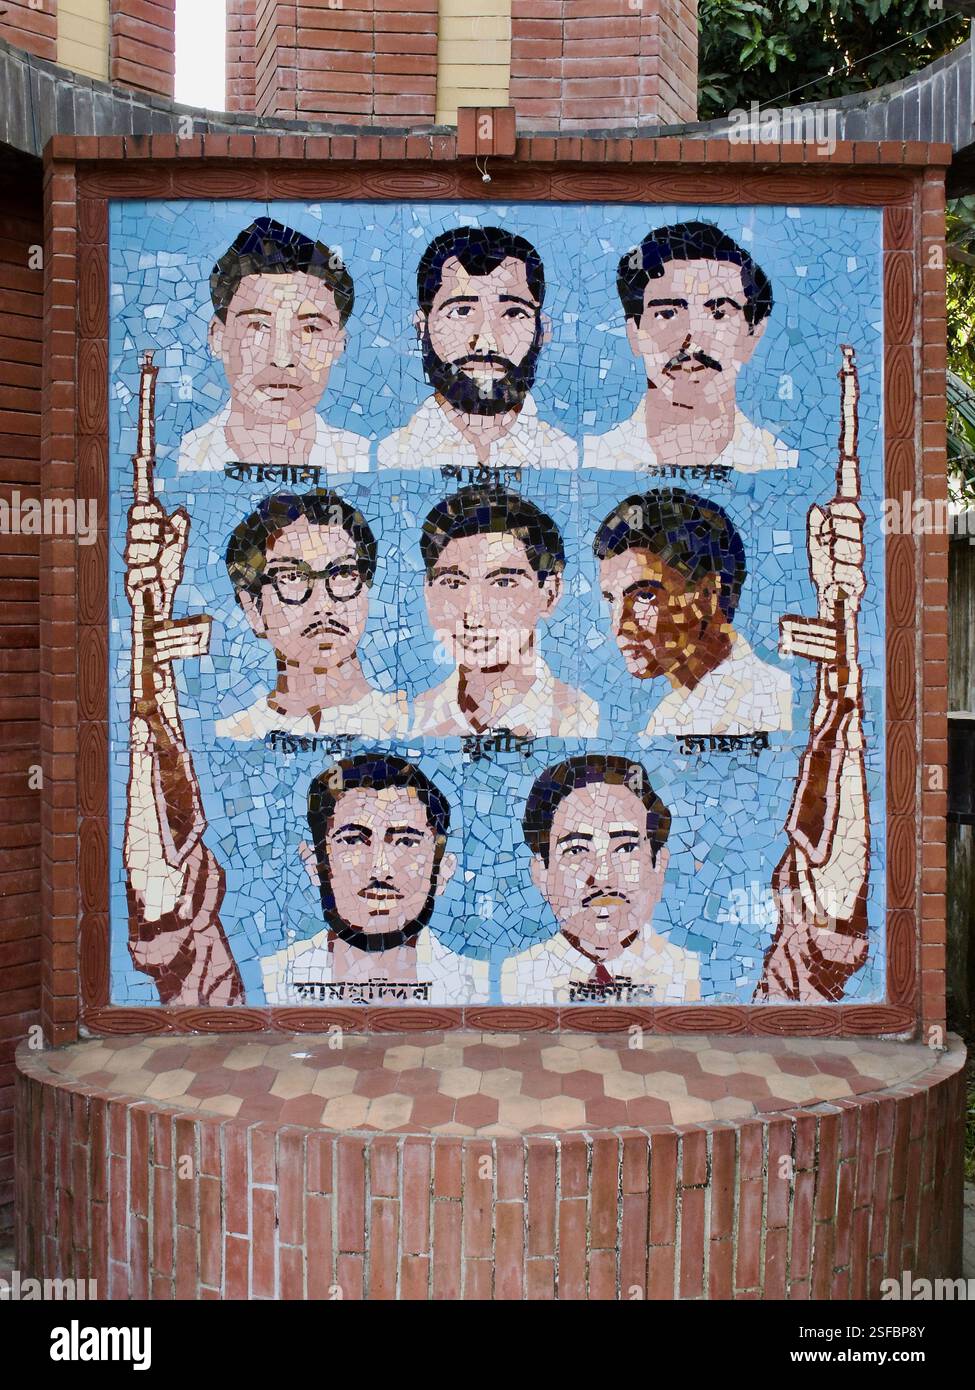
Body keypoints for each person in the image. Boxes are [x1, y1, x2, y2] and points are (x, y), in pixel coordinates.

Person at [261, 755, 485, 1002]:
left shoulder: (474, 987)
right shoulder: (271, 981)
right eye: (353, 840)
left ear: (442, 870)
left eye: (406, 841)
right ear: (315, 864)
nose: (380, 868)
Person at [584, 221, 797, 473]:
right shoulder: (598, 460)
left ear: (752, 335)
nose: (693, 341)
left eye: (718, 314)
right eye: (667, 314)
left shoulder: (779, 462)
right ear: (634, 333)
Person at [178, 216, 369, 476]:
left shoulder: (361, 459)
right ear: (218, 337)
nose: (282, 357)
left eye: (310, 328)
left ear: (339, 343)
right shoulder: (185, 457)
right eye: (258, 325)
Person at [501, 755, 700, 1004]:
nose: (603, 876)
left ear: (658, 865)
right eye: (576, 850)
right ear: (541, 873)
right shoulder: (517, 977)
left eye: (626, 848)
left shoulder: (687, 973)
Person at [594, 488, 792, 735]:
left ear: (707, 593)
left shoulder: (770, 705)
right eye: (611, 600)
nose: (620, 625)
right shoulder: (667, 716)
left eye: (644, 596)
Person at [378, 225, 576, 471]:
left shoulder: (565, 455)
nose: (486, 342)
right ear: (422, 326)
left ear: (542, 330)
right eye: (461, 311)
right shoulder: (392, 456)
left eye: (513, 313)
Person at [217, 490, 408, 740]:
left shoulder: (404, 723)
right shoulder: (237, 735)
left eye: (343, 573)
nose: (323, 604)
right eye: (293, 577)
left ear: (365, 589)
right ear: (253, 608)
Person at [411, 486, 599, 737]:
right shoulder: (415, 719)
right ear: (429, 593)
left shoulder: (582, 719)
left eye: (502, 584)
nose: (473, 616)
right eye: (453, 584)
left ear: (549, 593)